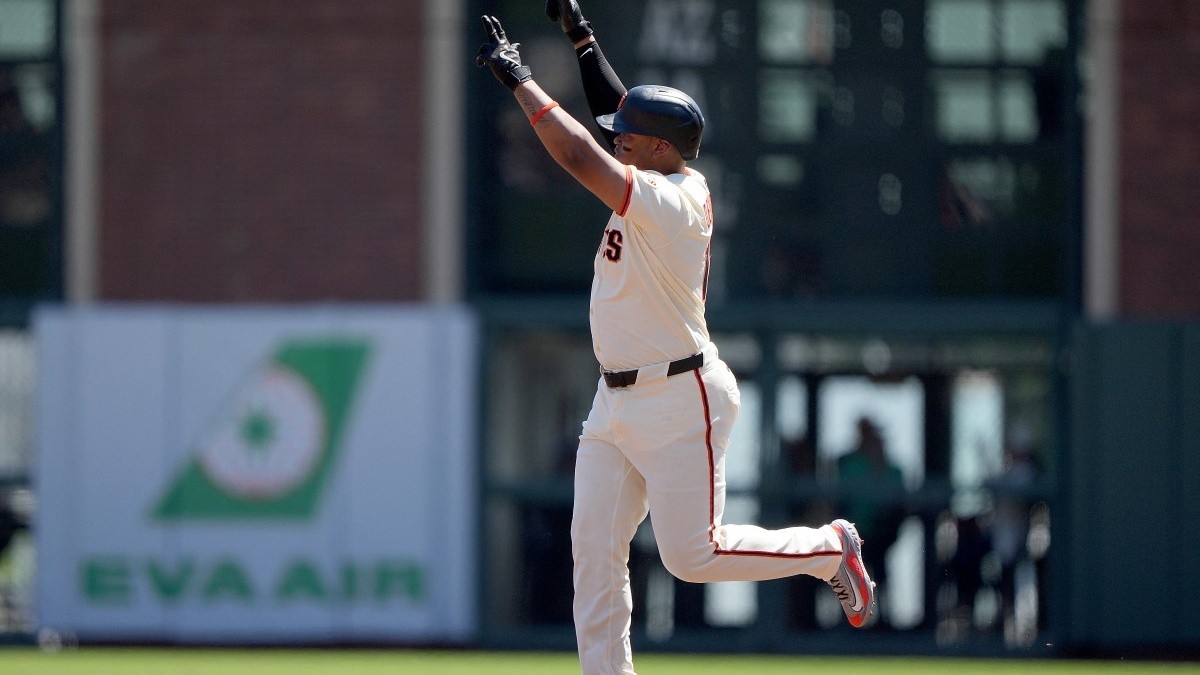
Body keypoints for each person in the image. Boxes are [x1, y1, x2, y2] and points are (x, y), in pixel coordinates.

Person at [476, 4, 876, 672]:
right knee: (594, 549)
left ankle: (830, 549)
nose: (618, 139)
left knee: (693, 557)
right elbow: (612, 118)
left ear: (659, 148)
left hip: (679, 393)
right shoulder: (653, 164)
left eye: (630, 137)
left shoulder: (673, 202)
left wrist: (520, 78)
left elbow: (576, 150)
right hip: (616, 402)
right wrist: (582, 38)